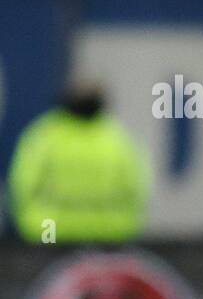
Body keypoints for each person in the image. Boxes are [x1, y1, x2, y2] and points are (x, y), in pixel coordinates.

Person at [8, 85, 150, 244]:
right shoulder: (118, 139)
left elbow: (22, 186)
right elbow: (137, 189)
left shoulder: (43, 136)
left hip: (50, 232)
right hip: (109, 234)